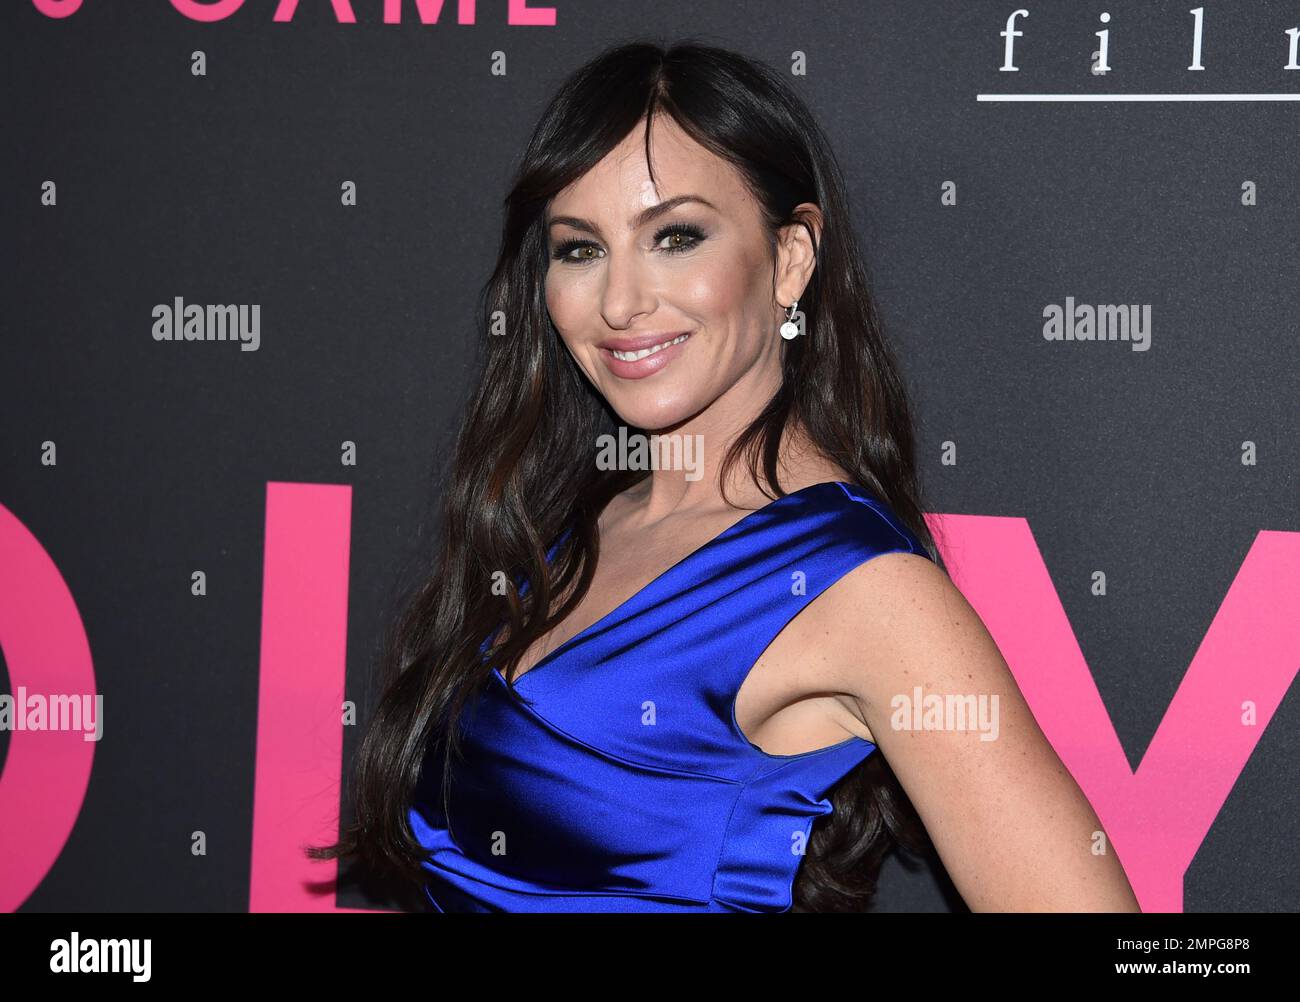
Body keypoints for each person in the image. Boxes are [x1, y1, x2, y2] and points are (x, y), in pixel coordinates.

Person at [309, 39, 1141, 913]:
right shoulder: (565, 519)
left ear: (791, 259)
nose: (621, 302)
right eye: (579, 249)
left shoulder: (860, 586)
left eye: (675, 237)